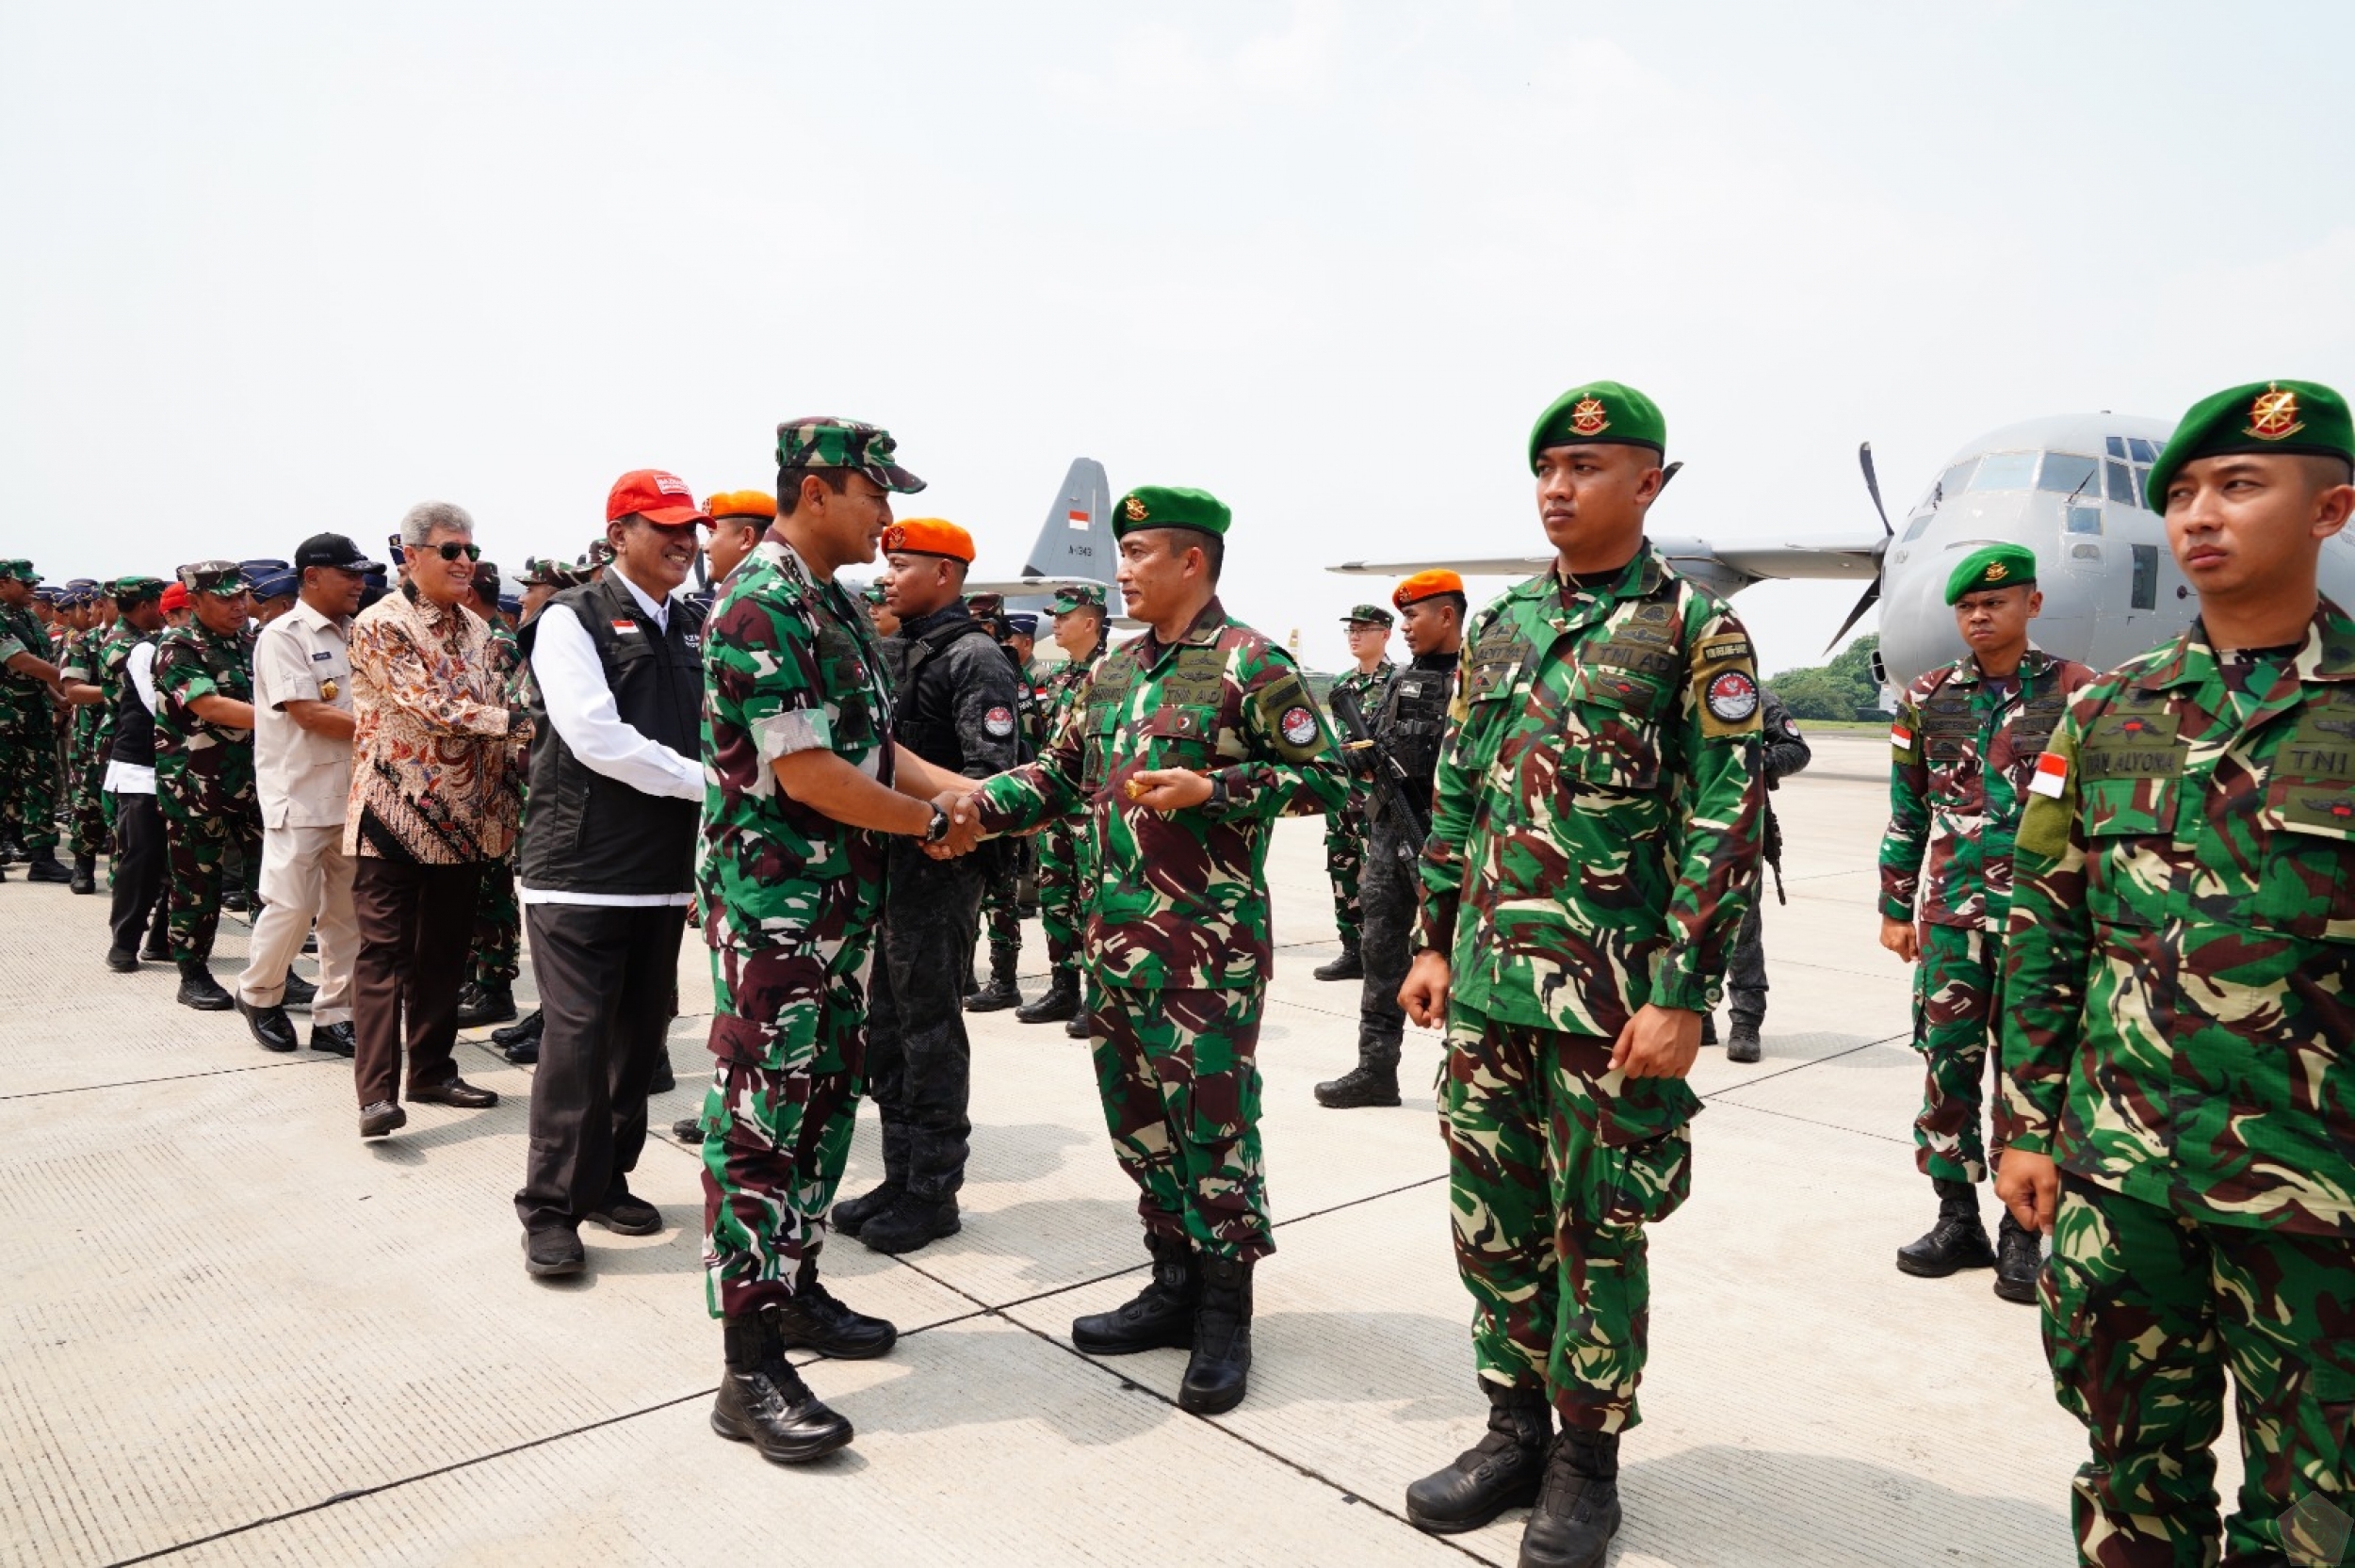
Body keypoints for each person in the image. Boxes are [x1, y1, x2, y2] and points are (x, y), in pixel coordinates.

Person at [1397, 383, 1762, 1566]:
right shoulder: (1499, 625)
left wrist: (1679, 993)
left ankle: (1585, 1460)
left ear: (1649, 482)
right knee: (1490, 1224)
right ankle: (1510, 1426)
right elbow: (1457, 791)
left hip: (1610, 1007)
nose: (1559, 488)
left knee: (1596, 1232)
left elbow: (1724, 818)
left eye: (1588, 468)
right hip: (1491, 992)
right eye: (1547, 467)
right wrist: (1433, 936)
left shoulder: (1695, 631)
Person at [1997, 380, 2355, 1567]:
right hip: (2122, 1179)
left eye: (2238, 486)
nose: (2198, 516)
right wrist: (2024, 1124)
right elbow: (2045, 928)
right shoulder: (2107, 712)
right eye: (2183, 496)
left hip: (2317, 1198)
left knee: (2319, 1511)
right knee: (2127, 1485)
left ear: (2329, 510)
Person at [966, 485, 1347, 1416]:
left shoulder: (1250, 663)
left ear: (1191, 561)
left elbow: (1327, 778)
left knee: (1213, 1133)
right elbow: (1059, 775)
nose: (1121, 570)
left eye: (1137, 553)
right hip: (1113, 952)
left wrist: (1214, 790)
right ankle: (1171, 1281)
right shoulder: (1112, 670)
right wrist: (970, 810)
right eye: (1121, 552)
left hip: (1201, 957)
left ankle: (1225, 1311)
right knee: (1139, 1130)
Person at [697, 416, 984, 1465]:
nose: (889, 515)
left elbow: (872, 746)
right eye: (875, 493)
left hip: (832, 912)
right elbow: (809, 775)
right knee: (762, 1123)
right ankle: (747, 1364)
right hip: (776, 914)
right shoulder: (761, 605)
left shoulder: (834, 605)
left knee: (820, 1111)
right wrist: (936, 824)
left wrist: (971, 792)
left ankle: (798, 1288)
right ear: (817, 490)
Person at [1879, 542, 2093, 1301]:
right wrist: (1893, 903)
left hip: (2044, 922)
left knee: (2029, 1074)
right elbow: (1908, 807)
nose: (1979, 615)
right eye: (1968, 605)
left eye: (1996, 603)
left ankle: (2021, 1229)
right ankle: (1955, 1215)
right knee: (1947, 1064)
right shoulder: (1929, 695)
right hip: (1949, 916)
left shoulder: (2076, 691)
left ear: (2030, 606)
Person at [513, 470, 710, 1279]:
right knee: (578, 1037)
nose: (684, 542)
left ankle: (604, 1178)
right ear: (618, 531)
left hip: (661, 874)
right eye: (664, 527)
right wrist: (710, 782)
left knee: (640, 1041)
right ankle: (551, 1208)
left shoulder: (694, 624)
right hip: (581, 871)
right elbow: (594, 736)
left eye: (691, 528)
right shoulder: (572, 617)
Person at [824, 517, 1021, 1255]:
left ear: (946, 574)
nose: (887, 576)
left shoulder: (976, 659)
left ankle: (934, 1191)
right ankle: (899, 1174)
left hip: (942, 870)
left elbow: (994, 779)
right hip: (890, 863)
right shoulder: (896, 648)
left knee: (930, 1028)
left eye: (903, 565)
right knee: (888, 1027)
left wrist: (945, 830)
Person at [344, 502, 528, 1140]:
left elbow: (507, 704)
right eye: (450, 550)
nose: (465, 561)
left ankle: (430, 1070)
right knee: (383, 956)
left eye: (469, 549)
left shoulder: (480, 632)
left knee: (445, 956)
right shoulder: (380, 624)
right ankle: (376, 1095)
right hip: (394, 812)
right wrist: (518, 725)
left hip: (464, 818)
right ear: (410, 555)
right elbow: (431, 706)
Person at [1317, 572, 1463, 1108]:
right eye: (1400, 618)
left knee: (1453, 959)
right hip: (1386, 838)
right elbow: (1370, 738)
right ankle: (1376, 1071)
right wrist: (1357, 755)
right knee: (1380, 952)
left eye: (1414, 617)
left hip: (1444, 841)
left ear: (1446, 617)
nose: (1404, 628)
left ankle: (1464, 1077)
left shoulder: (1479, 679)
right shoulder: (1401, 680)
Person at [235, 535, 376, 1058]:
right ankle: (259, 993)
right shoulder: (282, 636)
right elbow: (310, 713)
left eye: (362, 574)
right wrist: (389, 731)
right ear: (312, 577)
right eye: (350, 574)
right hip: (300, 794)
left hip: (354, 796)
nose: (360, 583)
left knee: (346, 915)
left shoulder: (357, 634)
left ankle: (335, 1016)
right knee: (291, 908)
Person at [150, 561, 261, 1006]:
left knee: (268, 883)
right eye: (226, 598)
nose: (239, 606)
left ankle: (276, 969)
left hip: (255, 781)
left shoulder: (251, 643)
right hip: (197, 786)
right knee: (198, 885)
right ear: (194, 602)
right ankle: (192, 973)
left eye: (242, 597)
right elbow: (208, 705)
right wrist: (288, 719)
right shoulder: (178, 646)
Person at [1014, 583, 1111, 1029]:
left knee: (1095, 905)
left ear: (1090, 623)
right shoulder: (1055, 679)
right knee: (1056, 899)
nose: (1057, 622)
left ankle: (1100, 999)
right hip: (1057, 810)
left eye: (1066, 616)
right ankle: (1063, 990)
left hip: (1092, 813)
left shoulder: (1115, 676)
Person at [1708, 685, 1811, 1063]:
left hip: (1737, 829)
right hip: (1676, 826)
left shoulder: (1752, 697)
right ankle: (1697, 1009)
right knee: (1677, 926)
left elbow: (1796, 750)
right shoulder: (1673, 690)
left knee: (1741, 928)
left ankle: (1746, 1022)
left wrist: (1752, 759)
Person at [457, 558, 525, 1029]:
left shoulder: (495, 643)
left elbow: (510, 723)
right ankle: (477, 979)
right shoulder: (480, 637)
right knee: (476, 892)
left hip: (492, 787)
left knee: (493, 892)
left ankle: (494, 987)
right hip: (477, 784)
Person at [966, 608, 1042, 1014]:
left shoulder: (1005, 669)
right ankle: (968, 973)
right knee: (972, 896)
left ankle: (1004, 979)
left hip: (1005, 790)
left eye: (983, 625)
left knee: (1001, 893)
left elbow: (1027, 733)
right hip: (969, 793)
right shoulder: (960, 659)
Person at [1313, 605, 1395, 980]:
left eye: (1364, 629)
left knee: (1379, 876)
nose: (1355, 636)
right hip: (1343, 796)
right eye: (1351, 630)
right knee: (1342, 870)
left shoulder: (1398, 681)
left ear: (1386, 635)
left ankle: (1383, 952)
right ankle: (1352, 951)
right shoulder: (1342, 685)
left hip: (1378, 798)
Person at [99, 580, 173, 964]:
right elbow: (161, 707)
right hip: (142, 767)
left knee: (183, 862)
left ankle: (162, 939)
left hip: (185, 769)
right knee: (141, 857)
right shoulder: (144, 649)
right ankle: (124, 942)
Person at [0, 558, 73, 883]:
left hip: (34, 717)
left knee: (41, 785)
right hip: (4, 719)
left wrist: (58, 699)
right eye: (25, 584)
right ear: (2, 584)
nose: (33, 589)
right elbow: (19, 661)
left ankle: (42, 857)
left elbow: (35, 671)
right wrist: (69, 679)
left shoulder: (28, 618)